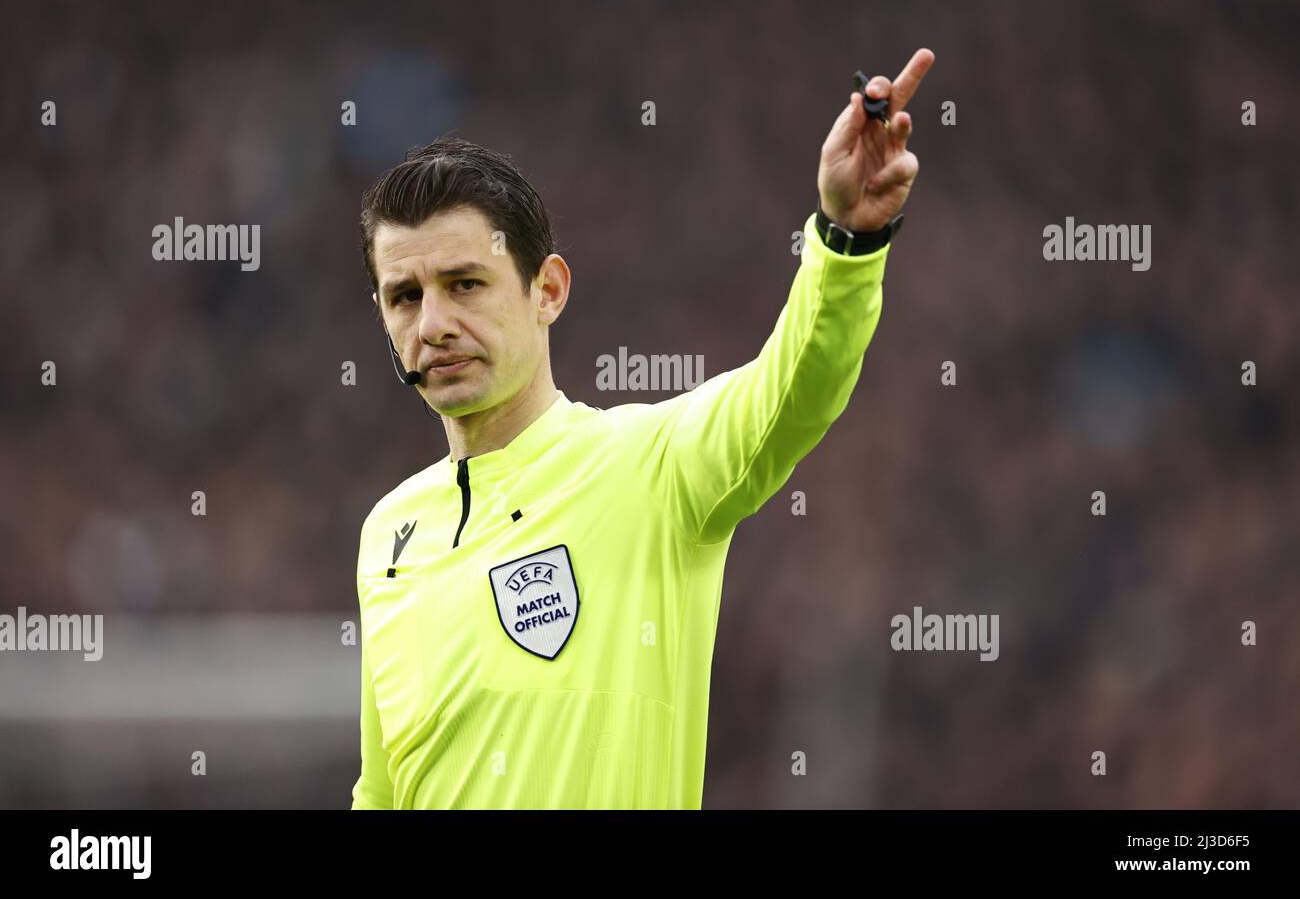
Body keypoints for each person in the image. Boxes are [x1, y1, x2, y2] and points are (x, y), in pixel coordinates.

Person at [351, 49, 936, 808]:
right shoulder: (387, 533)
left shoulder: (648, 468)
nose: (433, 324)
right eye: (404, 296)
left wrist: (845, 244)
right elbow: (382, 791)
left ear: (548, 291)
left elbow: (792, 390)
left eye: (466, 284)